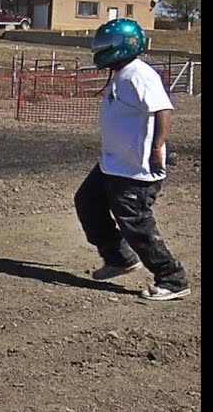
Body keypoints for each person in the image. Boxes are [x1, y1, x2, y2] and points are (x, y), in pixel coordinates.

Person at [73, 18, 190, 301]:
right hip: (113, 163)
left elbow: (163, 109)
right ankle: (119, 258)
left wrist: (157, 147)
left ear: (124, 45)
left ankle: (172, 279)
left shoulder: (139, 74)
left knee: (135, 223)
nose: (100, 51)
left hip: (135, 168)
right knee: (87, 202)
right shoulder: (121, 73)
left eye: (105, 46)